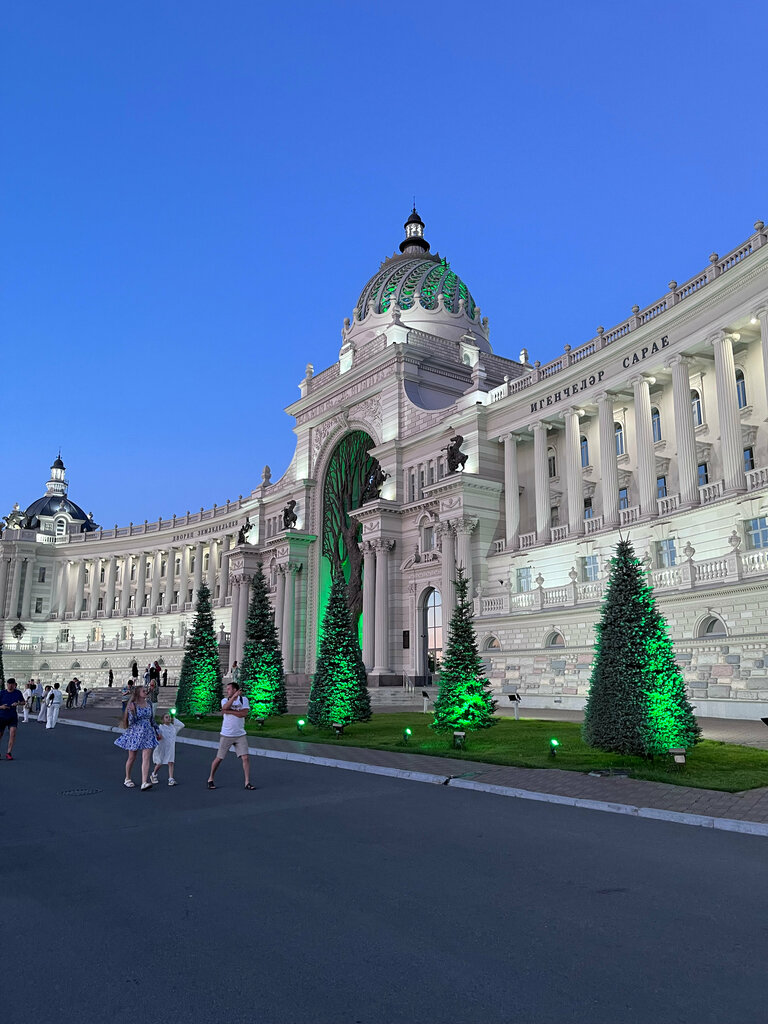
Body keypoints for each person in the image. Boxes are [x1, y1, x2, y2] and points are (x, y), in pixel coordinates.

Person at [206, 681, 254, 791]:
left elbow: (244, 714)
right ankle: (210, 778)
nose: (227, 691)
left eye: (229, 689)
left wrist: (230, 711)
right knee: (219, 758)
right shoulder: (225, 700)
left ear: (235, 690)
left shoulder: (244, 700)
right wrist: (232, 701)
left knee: (245, 757)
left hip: (240, 734)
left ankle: (247, 782)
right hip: (226, 734)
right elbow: (224, 708)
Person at [114, 685, 161, 790]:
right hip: (135, 733)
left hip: (148, 732)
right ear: (138, 693)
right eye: (143, 691)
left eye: (146, 690)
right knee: (132, 757)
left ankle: (144, 782)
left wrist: (157, 731)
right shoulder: (133, 705)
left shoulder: (148, 703)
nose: (146, 692)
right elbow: (132, 722)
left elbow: (151, 719)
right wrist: (133, 712)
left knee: (146, 757)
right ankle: (127, 778)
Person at [150, 711, 185, 786]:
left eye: (169, 717)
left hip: (170, 748)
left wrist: (174, 719)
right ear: (162, 720)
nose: (168, 718)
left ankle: (171, 779)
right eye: (166, 717)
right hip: (162, 748)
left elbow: (182, 725)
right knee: (159, 763)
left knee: (171, 762)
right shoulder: (160, 727)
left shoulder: (173, 728)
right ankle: (153, 774)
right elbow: (156, 736)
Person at [0, 679, 26, 759]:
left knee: (13, 733)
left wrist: (18, 703)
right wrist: (2, 707)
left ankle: (9, 752)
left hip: (12, 716)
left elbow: (23, 702)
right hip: (2, 716)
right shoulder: (2, 693)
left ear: (14, 684)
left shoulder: (17, 693)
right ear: (7, 684)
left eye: (12, 684)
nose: (10, 686)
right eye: (9, 684)